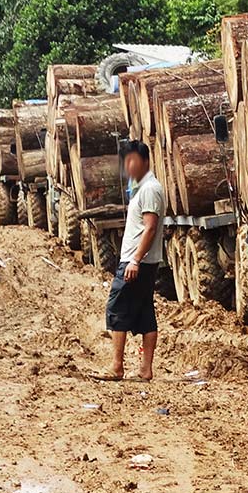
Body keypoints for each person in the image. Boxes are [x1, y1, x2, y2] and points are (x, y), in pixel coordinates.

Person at [95, 140, 163, 382]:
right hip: (142, 261)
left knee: (117, 309)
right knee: (145, 314)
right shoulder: (142, 188)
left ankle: (116, 366)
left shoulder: (150, 189)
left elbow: (150, 228)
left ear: (145, 161)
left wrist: (134, 260)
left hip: (137, 262)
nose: (129, 166)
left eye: (133, 160)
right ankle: (145, 369)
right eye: (126, 162)